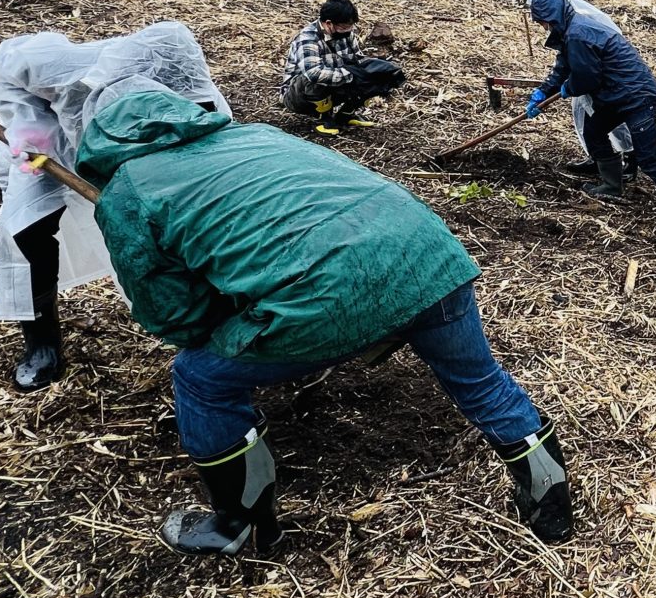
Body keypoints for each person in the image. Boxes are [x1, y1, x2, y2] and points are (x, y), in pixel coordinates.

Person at [74, 79, 571, 554]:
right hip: (427, 252)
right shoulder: (253, 134)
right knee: (478, 381)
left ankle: (240, 526)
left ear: (101, 143)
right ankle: (553, 507)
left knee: (200, 377)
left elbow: (175, 313)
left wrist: (230, 325)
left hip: (331, 287)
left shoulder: (128, 192)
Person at [0, 23, 229, 391]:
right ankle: (41, 344)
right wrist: (29, 135)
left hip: (123, 144)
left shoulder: (186, 79)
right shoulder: (48, 65)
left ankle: (213, 318)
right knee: (29, 229)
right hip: (41, 143)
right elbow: (4, 77)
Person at [524, 0, 656, 237]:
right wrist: (543, 92)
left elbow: (587, 77)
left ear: (552, 16)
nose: (543, 26)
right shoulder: (568, 30)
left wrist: (570, 88)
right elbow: (564, 68)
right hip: (614, 95)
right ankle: (613, 184)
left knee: (647, 156)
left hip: (637, 96)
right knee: (594, 130)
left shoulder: (579, 33)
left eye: (543, 21)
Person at [281, 0, 406, 134]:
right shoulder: (308, 39)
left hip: (335, 84)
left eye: (351, 26)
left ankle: (346, 114)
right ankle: (325, 119)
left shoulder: (346, 34)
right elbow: (313, 73)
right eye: (345, 27)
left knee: (381, 72)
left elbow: (357, 61)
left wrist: (377, 70)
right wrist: (351, 76)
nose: (350, 30)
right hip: (299, 96)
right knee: (314, 77)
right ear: (329, 23)